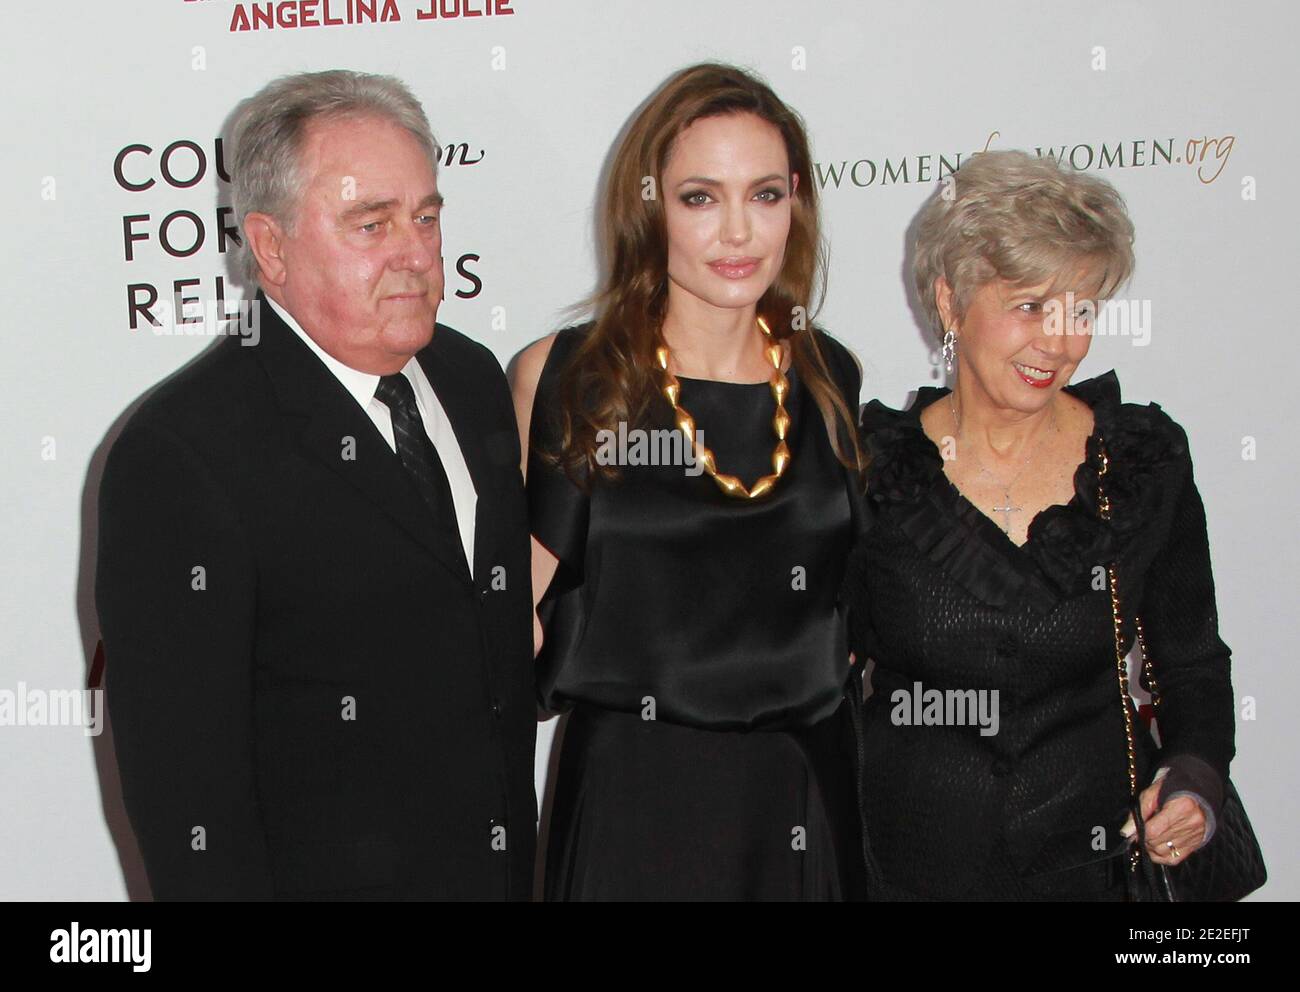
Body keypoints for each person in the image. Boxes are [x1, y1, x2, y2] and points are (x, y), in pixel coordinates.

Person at [96, 70, 536, 900]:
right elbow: (189, 804)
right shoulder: (182, 456)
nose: (415, 253)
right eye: (371, 224)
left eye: (427, 216)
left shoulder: (472, 379)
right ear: (270, 247)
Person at [511, 62, 868, 900]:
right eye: (701, 198)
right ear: (648, 207)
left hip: (805, 792)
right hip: (637, 802)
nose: (739, 233)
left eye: (767, 195)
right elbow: (513, 619)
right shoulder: (571, 378)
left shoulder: (827, 377)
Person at [842, 149, 1235, 900]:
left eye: (1080, 310)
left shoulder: (1140, 465)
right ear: (950, 303)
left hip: (1091, 874)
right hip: (904, 873)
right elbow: (815, 674)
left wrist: (1192, 782)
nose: (1059, 343)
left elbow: (1193, 666)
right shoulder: (870, 472)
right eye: (1029, 307)